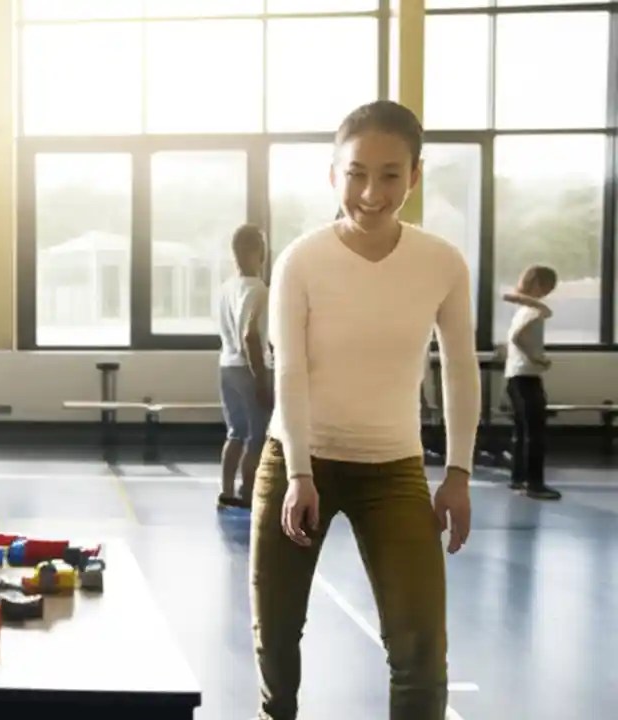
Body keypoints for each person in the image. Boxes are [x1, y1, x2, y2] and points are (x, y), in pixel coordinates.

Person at [252, 101, 480, 720]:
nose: (371, 192)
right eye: (356, 173)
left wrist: (458, 472)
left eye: (389, 174)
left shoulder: (442, 263)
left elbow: (460, 368)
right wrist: (299, 473)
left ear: (415, 176)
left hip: (394, 468)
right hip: (298, 459)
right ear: (333, 176)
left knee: (420, 648)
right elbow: (290, 370)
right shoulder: (302, 258)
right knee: (276, 636)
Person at [216, 223, 273, 510]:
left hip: (226, 366)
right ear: (258, 254)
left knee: (235, 432)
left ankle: (226, 490)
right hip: (248, 368)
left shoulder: (226, 288)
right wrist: (261, 378)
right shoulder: (259, 290)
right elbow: (251, 336)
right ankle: (248, 491)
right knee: (256, 435)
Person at [502, 265, 561, 500]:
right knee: (535, 432)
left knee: (522, 430)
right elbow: (518, 338)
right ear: (537, 283)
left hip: (515, 375)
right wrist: (537, 358)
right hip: (526, 375)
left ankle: (518, 479)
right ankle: (535, 484)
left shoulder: (527, 308)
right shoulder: (535, 310)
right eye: (547, 285)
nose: (548, 291)